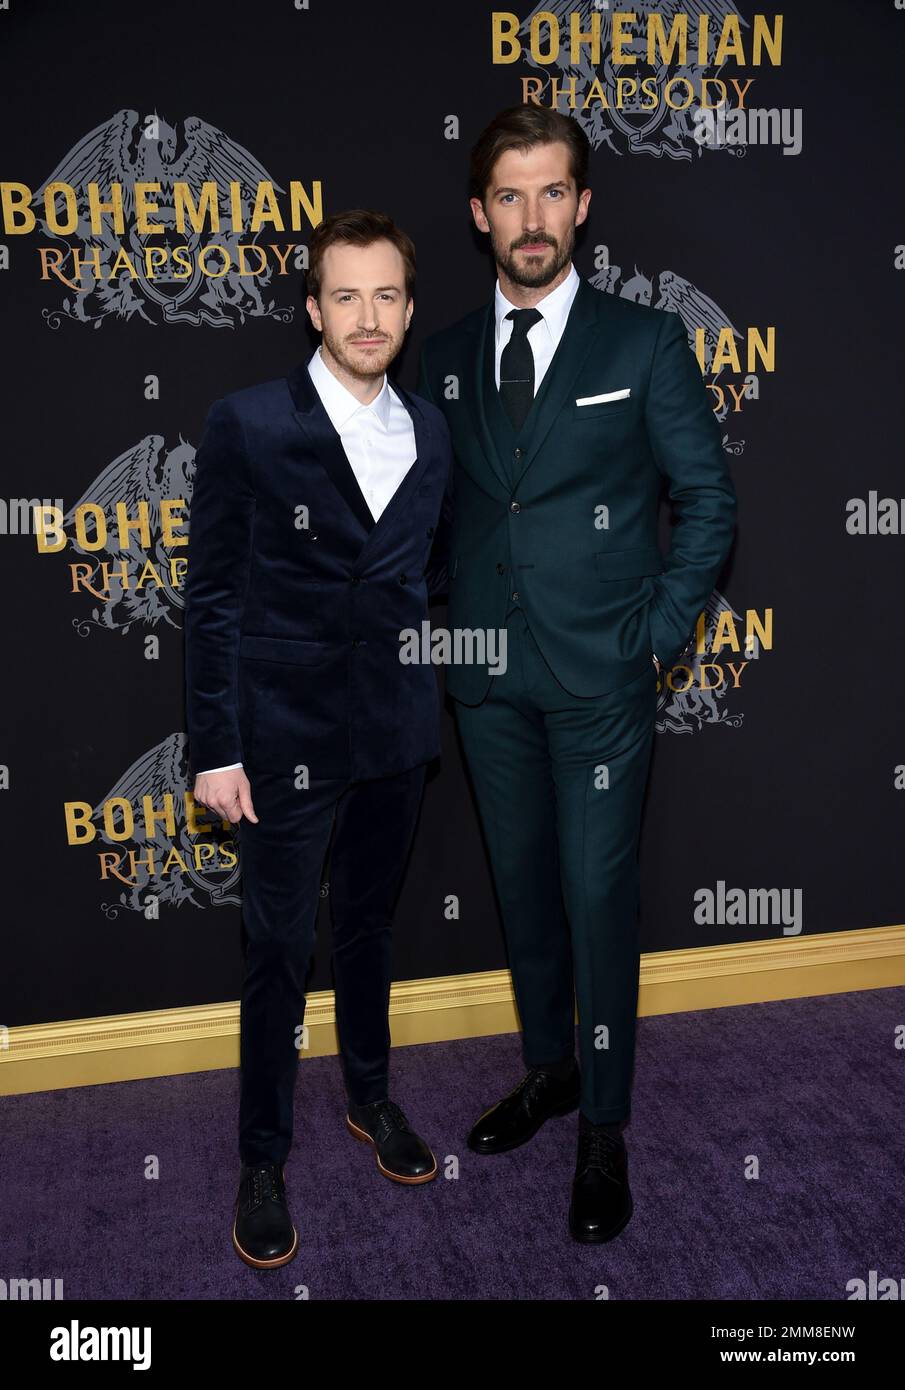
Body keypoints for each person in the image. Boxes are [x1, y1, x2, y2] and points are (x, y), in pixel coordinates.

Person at [417, 106, 737, 1243]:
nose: (532, 217)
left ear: (582, 205)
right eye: (509, 195)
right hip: (489, 683)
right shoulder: (444, 353)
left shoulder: (642, 341)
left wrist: (656, 635)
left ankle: (604, 1125)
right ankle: (547, 1070)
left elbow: (705, 501)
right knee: (524, 891)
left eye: (552, 192)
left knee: (599, 902)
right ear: (478, 214)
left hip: (603, 676)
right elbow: (431, 511)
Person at [185, 209, 453, 1268]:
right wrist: (215, 744)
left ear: (408, 305)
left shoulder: (430, 431)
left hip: (393, 730)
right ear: (312, 307)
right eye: (345, 294)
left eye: (386, 294)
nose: (367, 315)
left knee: (370, 933)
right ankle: (262, 1154)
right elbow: (210, 597)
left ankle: (371, 1098)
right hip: (279, 733)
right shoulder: (247, 422)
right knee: (276, 953)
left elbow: (421, 575)